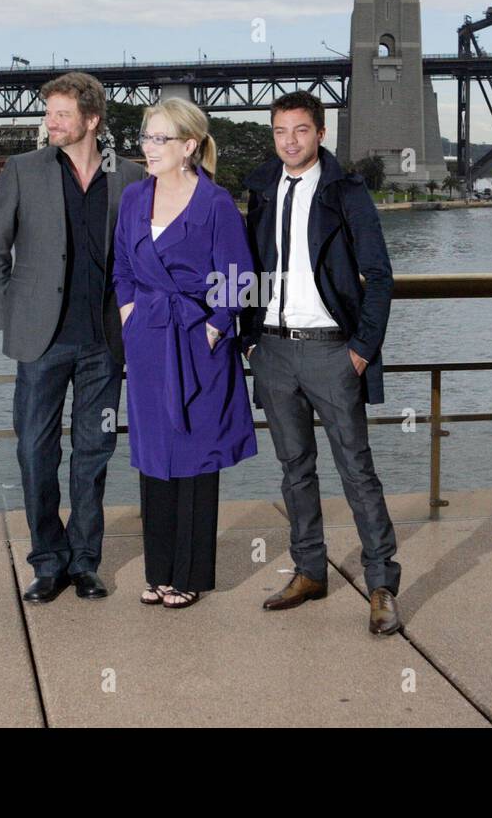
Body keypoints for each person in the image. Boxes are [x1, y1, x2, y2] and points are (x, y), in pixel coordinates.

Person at [0, 72, 143, 603]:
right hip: (41, 342)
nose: (50, 122)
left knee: (95, 451)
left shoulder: (130, 179)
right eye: (49, 113)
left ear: (91, 120)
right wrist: (11, 316)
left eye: (61, 114)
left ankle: (85, 562)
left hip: (103, 344)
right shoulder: (23, 170)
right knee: (34, 452)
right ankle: (47, 562)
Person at [240, 90, 402, 635]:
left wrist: (361, 349)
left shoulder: (346, 192)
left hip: (334, 349)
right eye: (281, 131)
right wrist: (249, 340)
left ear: (321, 134)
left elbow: (379, 276)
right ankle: (309, 570)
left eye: (301, 131)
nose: (290, 141)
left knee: (357, 471)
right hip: (274, 350)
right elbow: (249, 268)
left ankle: (381, 586)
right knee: (294, 470)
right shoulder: (261, 188)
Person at [113, 97, 257, 608]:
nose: (146, 148)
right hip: (149, 341)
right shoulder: (133, 198)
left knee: (195, 454)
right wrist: (131, 319)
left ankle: (189, 574)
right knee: (154, 455)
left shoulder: (214, 203)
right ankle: (158, 572)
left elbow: (238, 278)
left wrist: (215, 331)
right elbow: (122, 271)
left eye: (158, 139)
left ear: (189, 146)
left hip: (198, 342)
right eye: (145, 138)